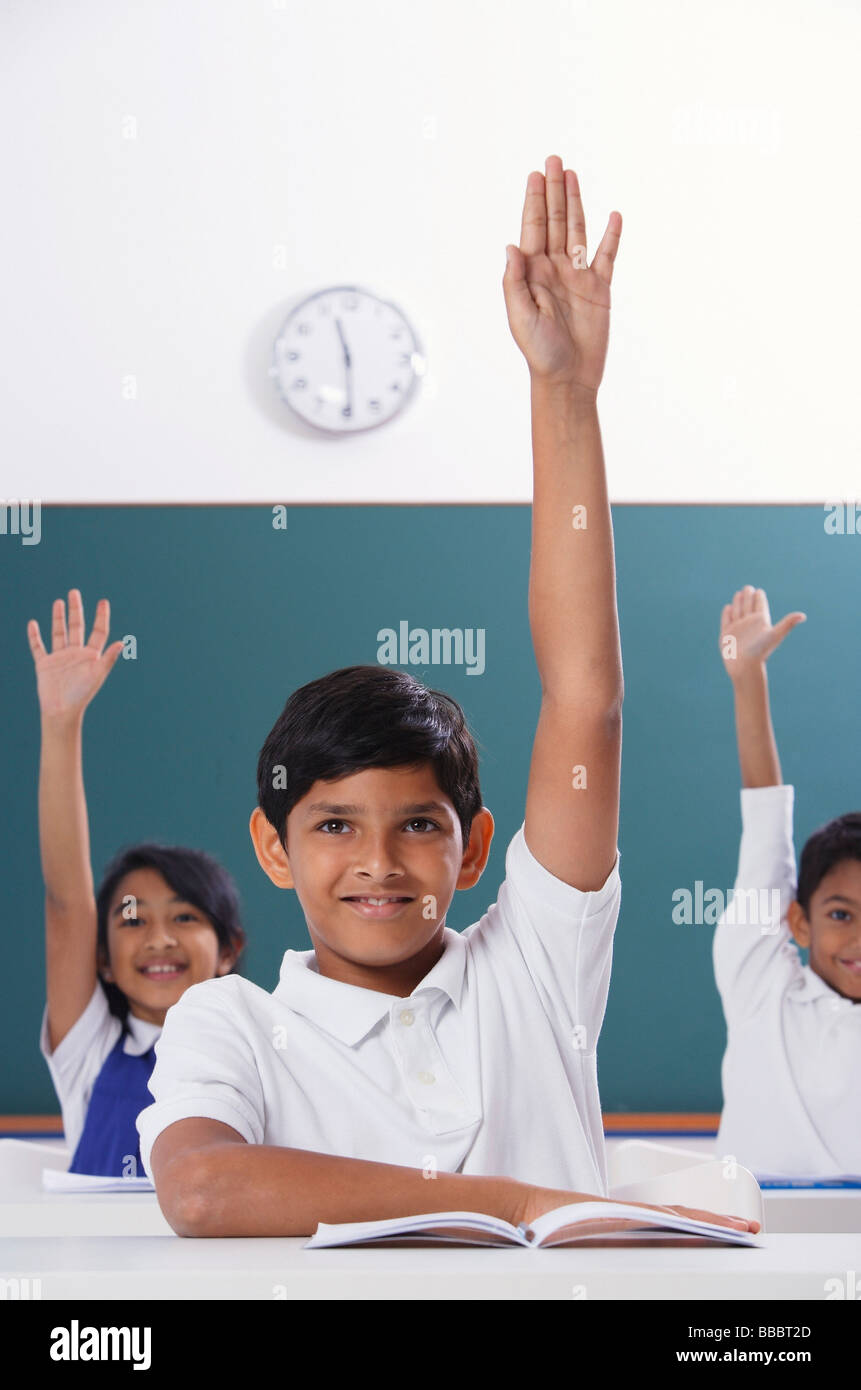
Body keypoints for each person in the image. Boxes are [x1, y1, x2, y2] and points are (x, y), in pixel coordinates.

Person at [139, 156, 758, 1238]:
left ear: (472, 851)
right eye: (334, 825)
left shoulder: (534, 964)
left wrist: (564, 392)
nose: (379, 862)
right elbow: (203, 1190)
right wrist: (516, 1202)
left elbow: (585, 700)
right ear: (274, 849)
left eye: (419, 826)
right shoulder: (227, 1022)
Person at [27, 589, 246, 1176]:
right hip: (91, 1272)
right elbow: (68, 903)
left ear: (228, 949)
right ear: (101, 959)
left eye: (184, 916)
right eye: (133, 918)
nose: (158, 938)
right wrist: (61, 725)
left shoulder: (254, 1051)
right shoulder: (91, 1051)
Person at [714, 584, 861, 1176]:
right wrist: (749, 678)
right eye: (840, 914)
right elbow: (766, 826)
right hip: (753, 1247)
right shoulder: (762, 989)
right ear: (797, 921)